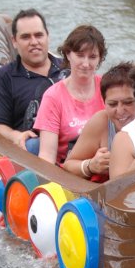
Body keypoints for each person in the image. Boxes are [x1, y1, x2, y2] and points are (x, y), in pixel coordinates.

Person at [0, 9, 67, 154]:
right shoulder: (3, 79)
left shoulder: (69, 69)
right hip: (33, 152)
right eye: (26, 37)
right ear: (14, 41)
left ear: (48, 36)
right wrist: (16, 136)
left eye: (39, 35)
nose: (34, 42)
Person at [33, 24, 107, 164]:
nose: (86, 64)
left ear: (99, 59)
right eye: (80, 55)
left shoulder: (108, 88)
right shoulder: (53, 97)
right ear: (68, 54)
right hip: (65, 171)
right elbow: (47, 155)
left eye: (92, 57)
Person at [61, 61, 135, 181]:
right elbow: (68, 165)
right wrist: (90, 166)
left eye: (128, 102)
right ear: (104, 103)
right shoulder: (101, 122)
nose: (120, 110)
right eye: (112, 104)